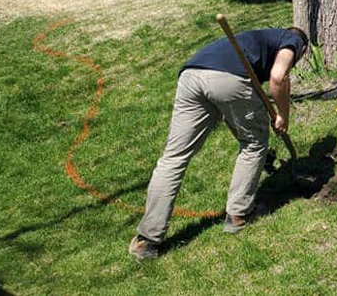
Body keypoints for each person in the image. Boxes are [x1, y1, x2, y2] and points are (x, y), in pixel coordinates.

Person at [128, 26, 309, 260]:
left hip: (191, 75)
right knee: (255, 144)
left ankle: (147, 240)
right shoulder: (292, 40)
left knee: (174, 157)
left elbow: (231, 113)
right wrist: (283, 116)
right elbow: (278, 76)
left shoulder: (257, 40)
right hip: (226, 78)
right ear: (303, 50)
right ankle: (239, 215)